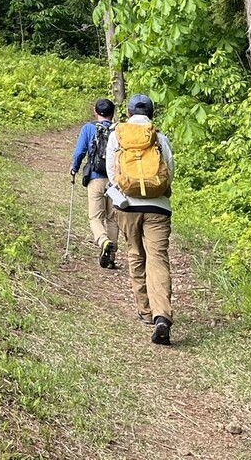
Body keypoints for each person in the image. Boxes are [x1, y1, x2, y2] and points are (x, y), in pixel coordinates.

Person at [106, 93, 175, 345]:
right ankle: (162, 317)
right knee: (158, 259)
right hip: (158, 208)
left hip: (127, 206)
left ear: (128, 112)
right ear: (151, 113)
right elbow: (169, 172)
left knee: (136, 254)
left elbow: (112, 173)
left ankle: (145, 311)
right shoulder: (160, 138)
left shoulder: (118, 136)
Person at [69, 98, 118, 269]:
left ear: (95, 112)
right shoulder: (118, 130)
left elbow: (79, 152)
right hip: (115, 182)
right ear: (113, 113)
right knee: (112, 218)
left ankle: (103, 241)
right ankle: (111, 257)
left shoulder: (89, 128)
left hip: (95, 178)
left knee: (96, 218)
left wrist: (74, 168)